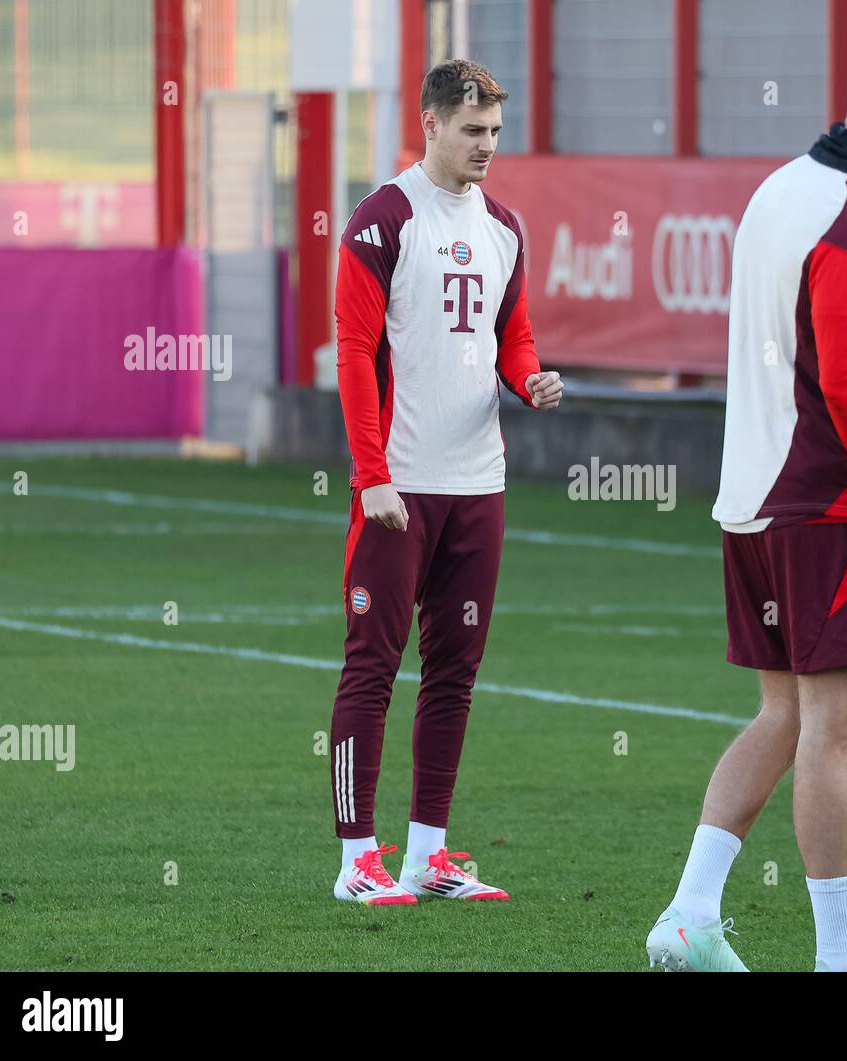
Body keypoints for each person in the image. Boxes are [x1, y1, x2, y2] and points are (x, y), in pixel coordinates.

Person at [646, 43, 847, 970]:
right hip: (825, 505)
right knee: (840, 728)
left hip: (748, 500)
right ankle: (841, 953)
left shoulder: (779, 187)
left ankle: (690, 913)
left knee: (783, 716)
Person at [329, 59, 563, 906]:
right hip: (399, 489)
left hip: (479, 485)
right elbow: (354, 352)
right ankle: (358, 859)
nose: (486, 146)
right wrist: (371, 476)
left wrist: (530, 377)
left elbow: (514, 334)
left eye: (496, 132)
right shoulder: (382, 220)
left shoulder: (504, 227)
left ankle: (429, 854)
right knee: (373, 667)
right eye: (472, 130)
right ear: (429, 123)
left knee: (454, 672)